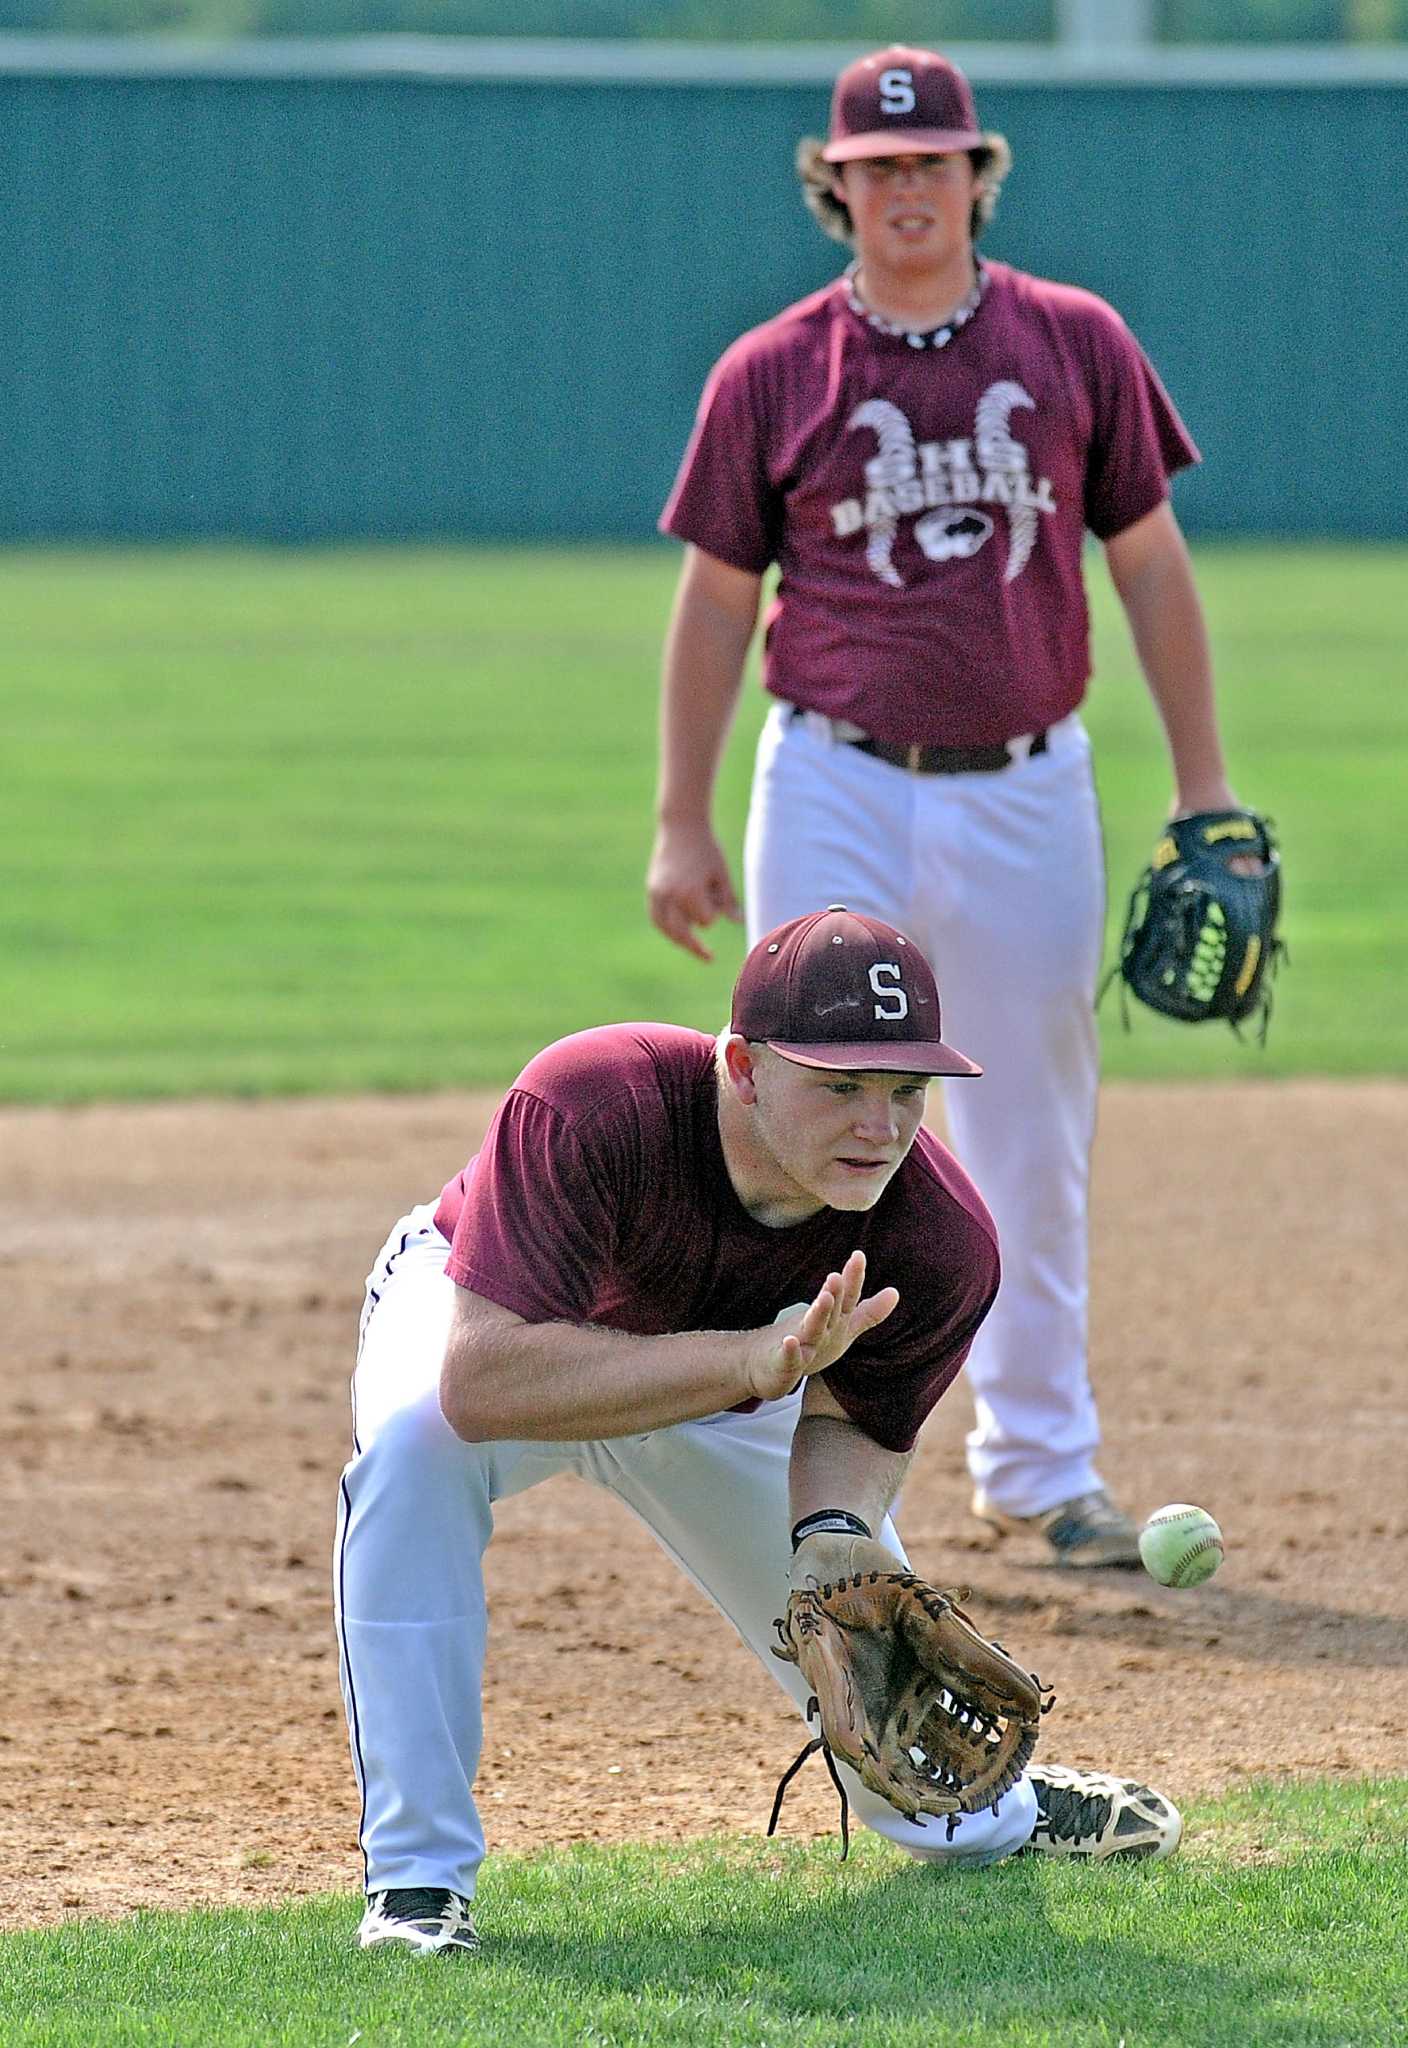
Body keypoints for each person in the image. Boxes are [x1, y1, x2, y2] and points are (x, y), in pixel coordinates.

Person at [648, 44, 1254, 1572]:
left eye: (933, 163)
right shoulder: (772, 370)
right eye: (876, 167)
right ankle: (761, 1423)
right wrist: (681, 814)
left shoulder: (1073, 343)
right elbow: (719, 602)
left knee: (1029, 1126)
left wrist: (1204, 788)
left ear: (978, 177)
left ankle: (1043, 1467)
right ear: (832, 186)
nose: (905, 188)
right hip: (834, 772)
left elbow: (1153, 567)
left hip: (1027, 785)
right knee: (795, 1105)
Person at [334, 906, 1180, 1954]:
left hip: (729, 1396)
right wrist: (746, 1361)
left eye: (906, 1089)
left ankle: (1007, 1814)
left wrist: (831, 1531)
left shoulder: (937, 1238)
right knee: (414, 1449)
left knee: (929, 1785)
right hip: (504, 1326)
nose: (880, 1125)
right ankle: (417, 1884)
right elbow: (482, 1382)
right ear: (740, 1064)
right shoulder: (595, 1099)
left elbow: (855, 1424)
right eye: (840, 1085)